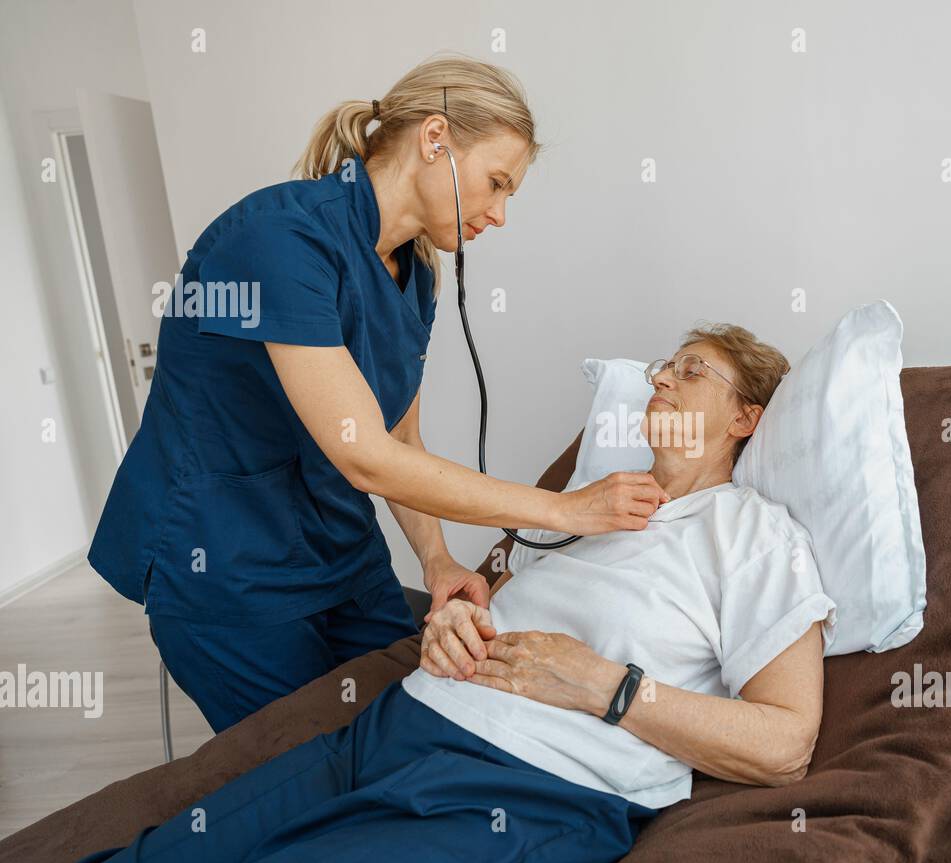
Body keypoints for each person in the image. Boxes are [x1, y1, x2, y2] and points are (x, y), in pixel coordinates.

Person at [77, 326, 836, 863]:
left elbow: (784, 746)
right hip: (393, 727)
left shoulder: (753, 536)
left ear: (746, 417)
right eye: (662, 366)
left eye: (691, 369)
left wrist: (607, 686)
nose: (660, 377)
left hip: (524, 785)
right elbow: (493, 597)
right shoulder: (584, 506)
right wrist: (459, 616)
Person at [87, 54, 667, 734]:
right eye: (496, 183)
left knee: (419, 723)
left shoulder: (414, 272)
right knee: (309, 771)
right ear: (434, 140)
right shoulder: (279, 241)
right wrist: (564, 511)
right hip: (229, 569)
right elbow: (365, 457)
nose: (501, 215)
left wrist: (438, 558)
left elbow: (398, 439)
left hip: (340, 559)